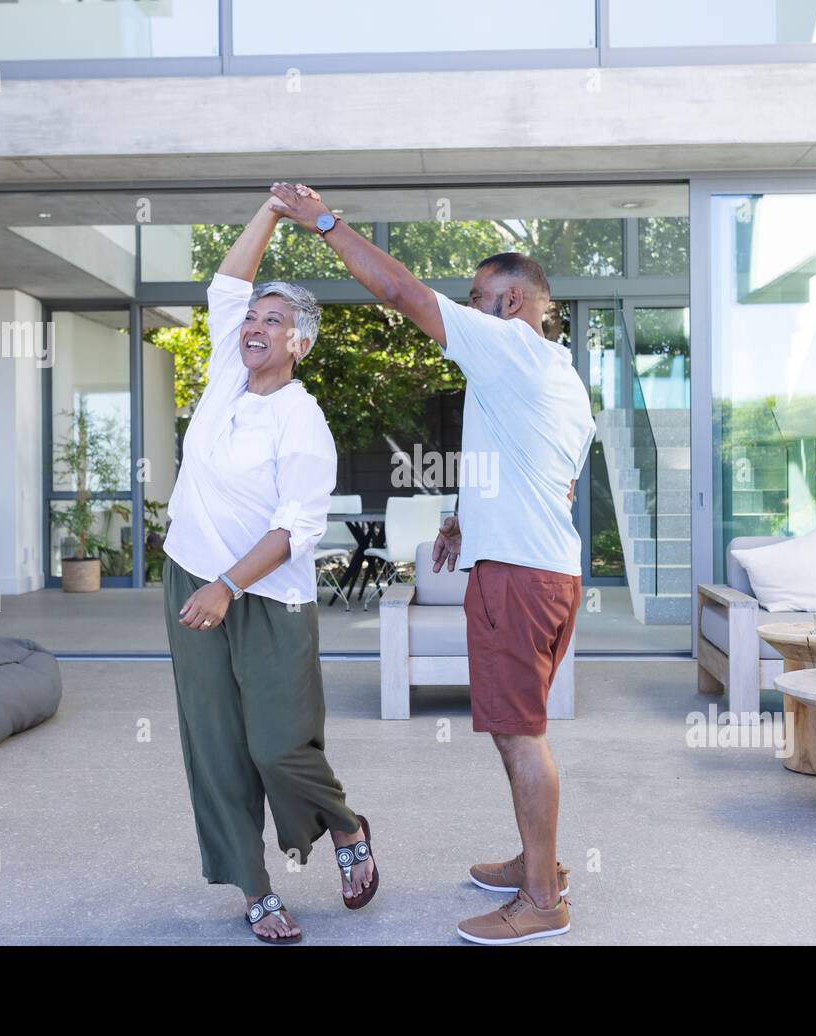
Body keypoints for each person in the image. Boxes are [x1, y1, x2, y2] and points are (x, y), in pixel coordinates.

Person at [268, 182, 595, 945]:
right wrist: (458, 516)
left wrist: (323, 222)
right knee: (518, 727)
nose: (466, 307)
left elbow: (399, 291)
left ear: (513, 304)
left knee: (520, 734)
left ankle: (542, 899)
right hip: (536, 568)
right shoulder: (558, 381)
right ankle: (534, 861)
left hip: (519, 575)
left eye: (478, 296)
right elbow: (538, 474)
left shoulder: (510, 344)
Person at [161, 195, 378, 944]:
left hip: (265, 595)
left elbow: (295, 530)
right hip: (191, 577)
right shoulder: (226, 373)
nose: (255, 326)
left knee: (279, 743)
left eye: (275, 320)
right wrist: (272, 210)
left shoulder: (303, 421)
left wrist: (229, 586)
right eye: (254, 317)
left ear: (300, 345)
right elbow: (227, 283)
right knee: (214, 742)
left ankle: (346, 829)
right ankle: (252, 889)